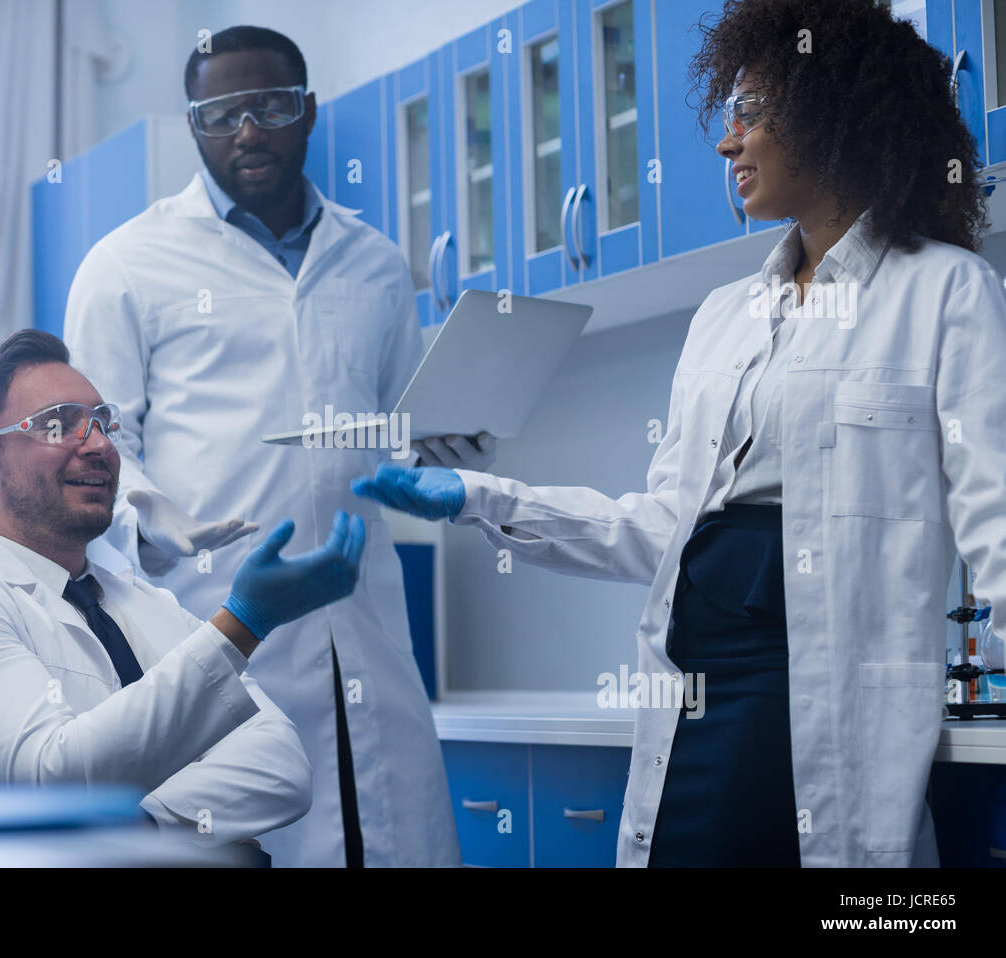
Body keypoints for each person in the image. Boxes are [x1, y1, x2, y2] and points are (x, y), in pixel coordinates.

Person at [354, 0, 1006, 867]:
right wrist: (481, 497)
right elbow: (664, 528)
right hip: (690, 689)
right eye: (726, 115)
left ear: (832, 109)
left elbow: (997, 520)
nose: (726, 141)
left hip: (812, 694)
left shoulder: (946, 293)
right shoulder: (722, 317)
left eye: (748, 112)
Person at [63, 25, 493, 866]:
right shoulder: (126, 265)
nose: (248, 129)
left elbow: (398, 430)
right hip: (216, 620)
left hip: (364, 619)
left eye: (271, 106)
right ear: (194, 125)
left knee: (391, 840)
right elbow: (96, 445)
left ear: (309, 113)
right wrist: (151, 513)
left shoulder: (373, 263)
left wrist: (441, 452)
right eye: (222, 113)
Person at [0, 330, 367, 848]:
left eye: (102, 423)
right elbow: (56, 777)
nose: (101, 446)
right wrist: (241, 625)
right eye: (59, 425)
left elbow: (282, 769)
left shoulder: (149, 604)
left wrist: (133, 827)